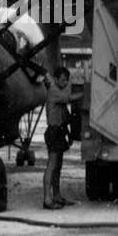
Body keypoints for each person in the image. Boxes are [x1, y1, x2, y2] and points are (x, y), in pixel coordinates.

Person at [42, 66, 74, 209]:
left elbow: (65, 115)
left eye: (67, 80)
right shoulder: (54, 91)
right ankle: (47, 199)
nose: (65, 83)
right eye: (62, 80)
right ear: (55, 79)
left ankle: (56, 195)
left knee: (58, 166)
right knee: (52, 165)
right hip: (54, 131)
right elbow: (69, 98)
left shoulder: (58, 89)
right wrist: (85, 93)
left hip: (60, 131)